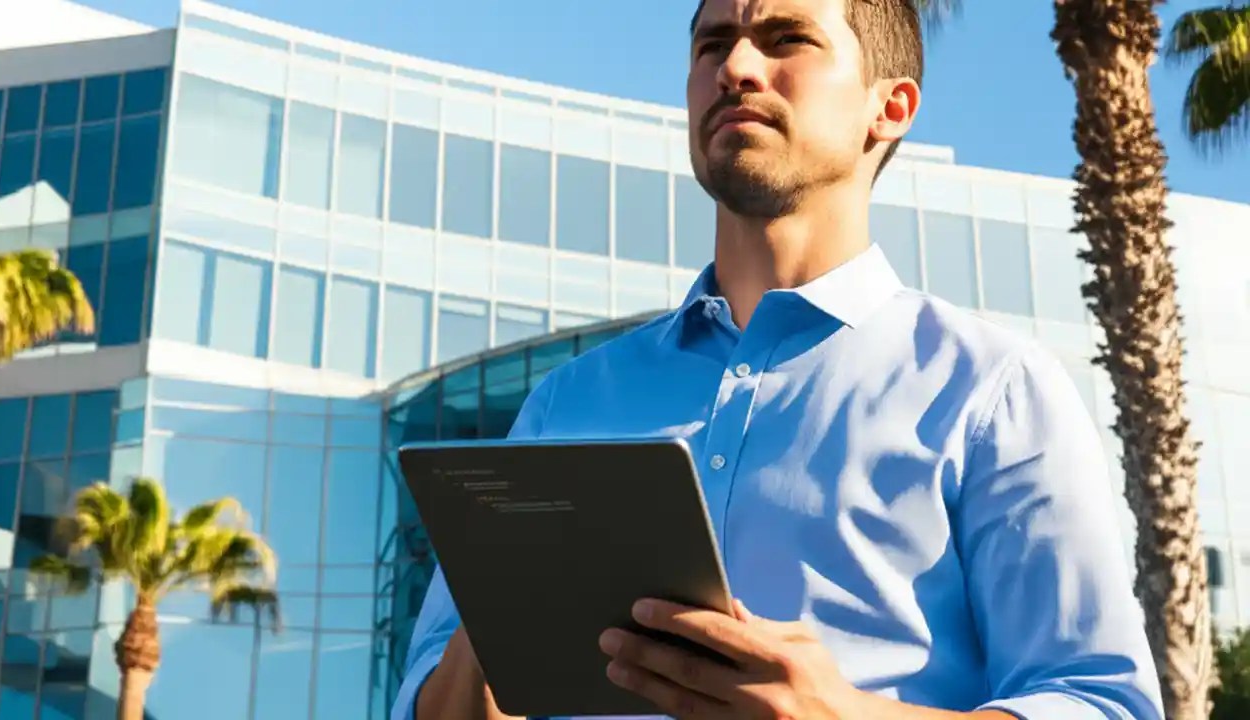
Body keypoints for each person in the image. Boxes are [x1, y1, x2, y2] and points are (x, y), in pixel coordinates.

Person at [392, 0, 1165, 717]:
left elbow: (1101, 702)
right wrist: (506, 622)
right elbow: (430, 700)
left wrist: (846, 714)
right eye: (713, 45)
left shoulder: (993, 389)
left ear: (888, 108)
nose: (736, 67)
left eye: (786, 39)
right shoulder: (565, 402)